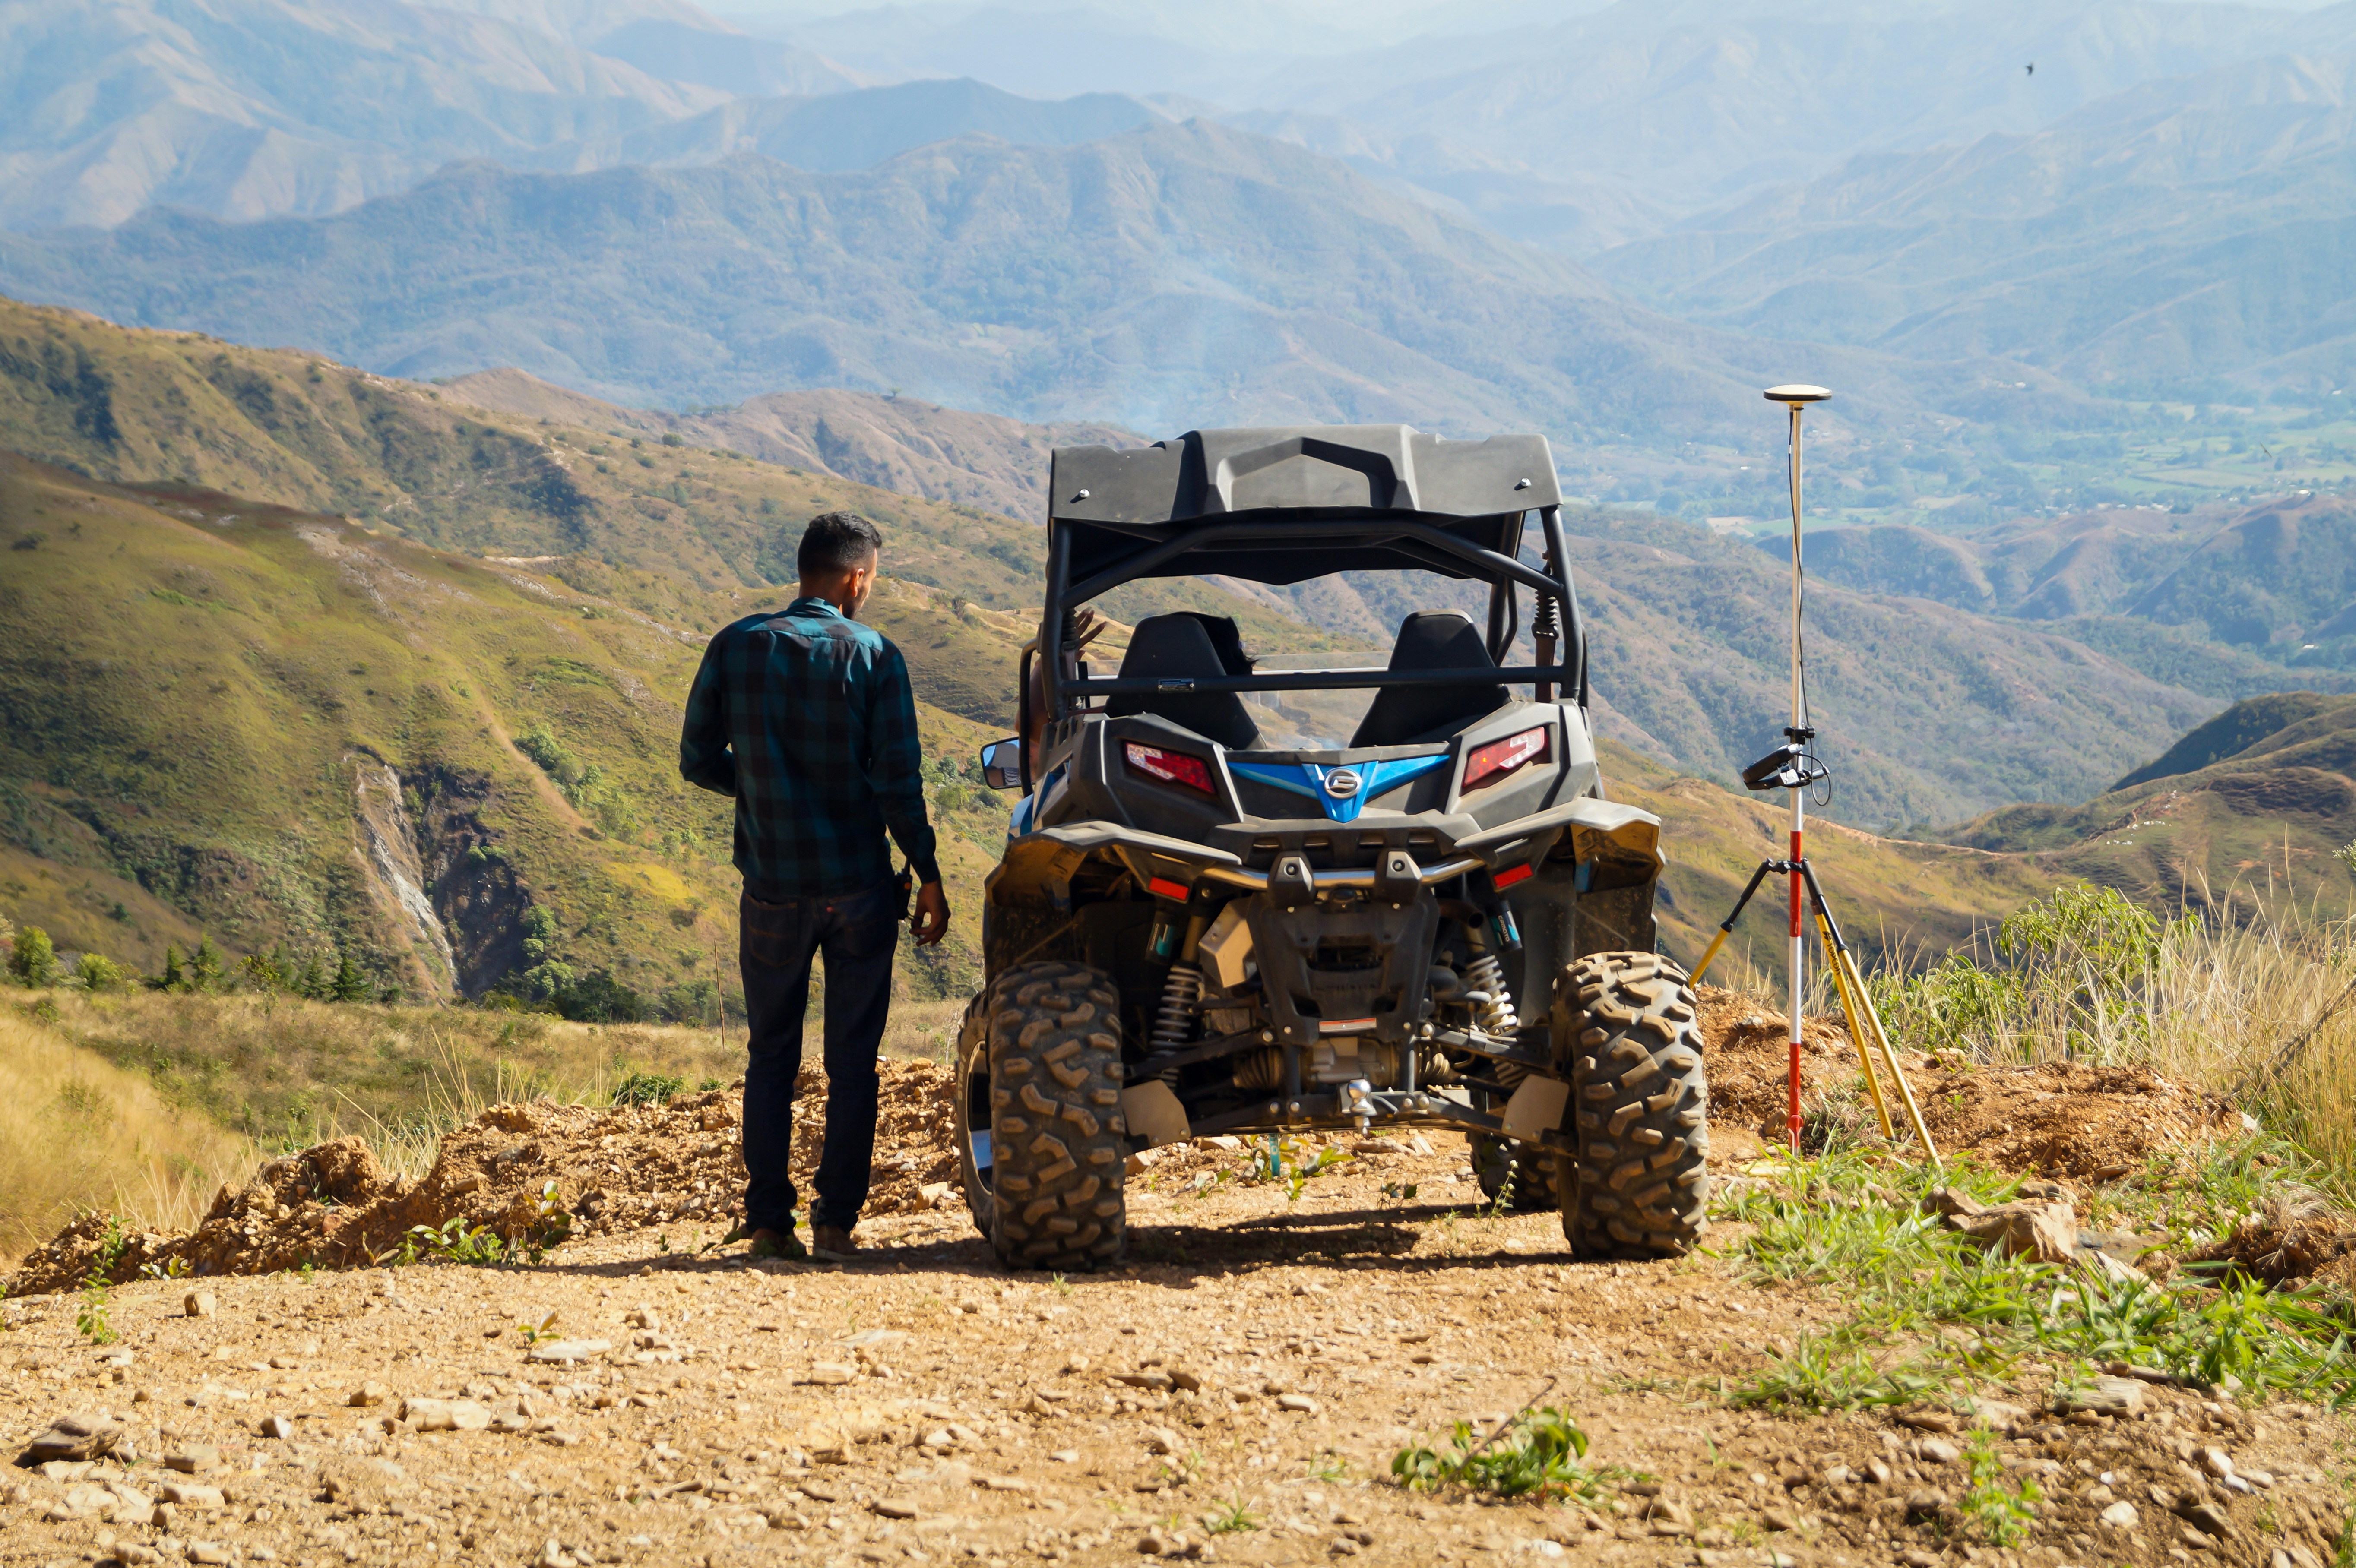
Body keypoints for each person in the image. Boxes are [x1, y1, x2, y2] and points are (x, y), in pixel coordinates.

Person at [679, 511, 950, 1262]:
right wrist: (927, 873)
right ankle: (835, 1223)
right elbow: (900, 783)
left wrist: (763, 790)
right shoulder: (873, 654)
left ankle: (769, 1222)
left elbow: (696, 760)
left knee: (771, 1055)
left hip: (772, 884)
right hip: (861, 888)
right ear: (856, 578)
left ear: (807, 570)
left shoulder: (735, 646)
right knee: (851, 1060)